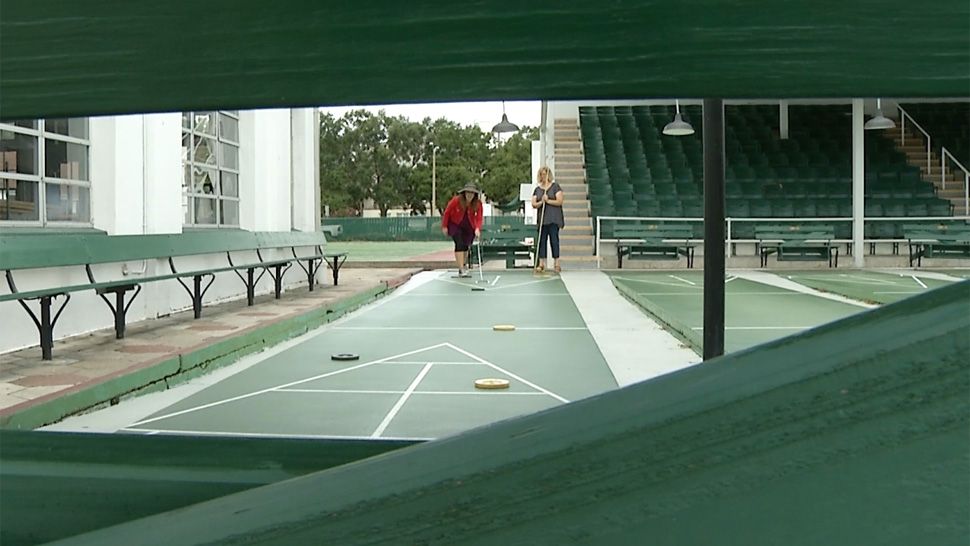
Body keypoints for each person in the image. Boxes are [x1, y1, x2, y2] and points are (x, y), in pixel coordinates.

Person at [441, 182, 484, 277]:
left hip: (469, 226)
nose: (469, 195)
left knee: (466, 246)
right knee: (459, 243)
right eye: (468, 192)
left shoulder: (478, 203)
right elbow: (447, 212)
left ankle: (463, 265)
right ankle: (461, 269)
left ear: (475, 194)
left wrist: (477, 228)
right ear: (464, 193)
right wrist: (444, 226)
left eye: (472, 193)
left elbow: (479, 217)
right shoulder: (456, 200)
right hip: (455, 224)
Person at [532, 166, 565, 273]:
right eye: (541, 174)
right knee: (542, 241)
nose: (543, 176)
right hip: (543, 219)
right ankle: (541, 263)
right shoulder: (537, 189)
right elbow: (534, 203)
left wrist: (548, 200)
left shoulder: (555, 187)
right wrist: (541, 202)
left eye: (545, 174)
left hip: (553, 219)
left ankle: (557, 263)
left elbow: (560, 201)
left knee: (554, 240)